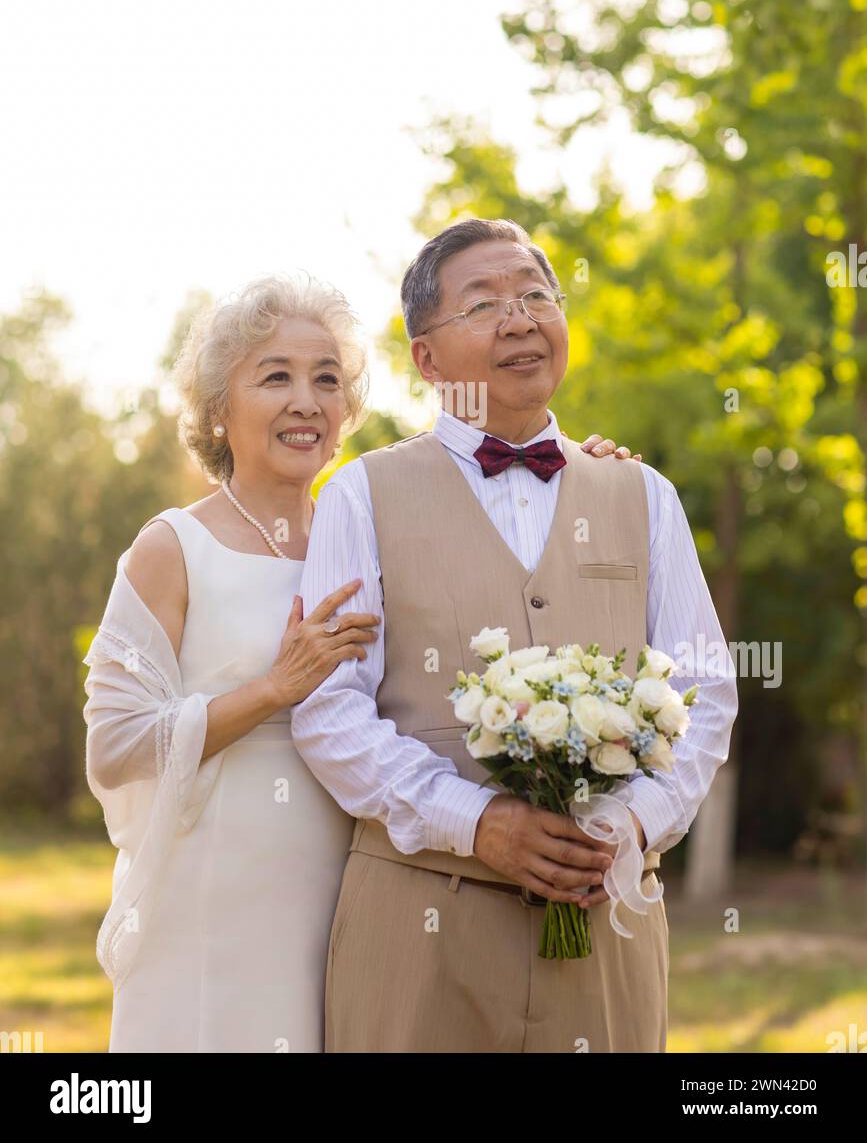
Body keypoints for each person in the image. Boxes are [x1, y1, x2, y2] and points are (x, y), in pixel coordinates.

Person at [82, 267, 635, 1053]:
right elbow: (113, 748)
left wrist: (587, 469)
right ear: (217, 408)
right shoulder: (172, 548)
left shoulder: (371, 526)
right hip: (216, 903)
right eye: (275, 377)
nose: (306, 400)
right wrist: (275, 688)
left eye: (327, 379)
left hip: (361, 895)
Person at [293, 217, 739, 1054]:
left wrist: (633, 823)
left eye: (537, 295)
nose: (519, 318)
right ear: (425, 357)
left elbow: (705, 688)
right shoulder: (358, 495)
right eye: (484, 303)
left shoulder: (641, 494)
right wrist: (475, 821)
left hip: (605, 936)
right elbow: (326, 710)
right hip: (418, 942)